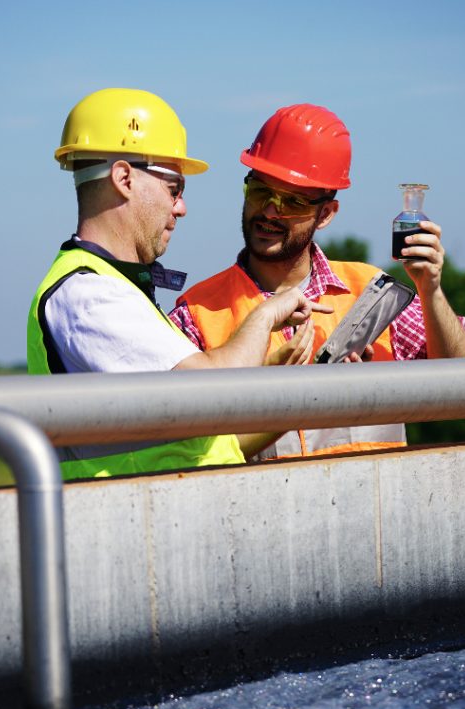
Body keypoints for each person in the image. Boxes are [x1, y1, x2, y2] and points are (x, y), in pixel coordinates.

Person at [27, 88, 322, 480]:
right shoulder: (89, 298)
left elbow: (210, 444)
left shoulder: (113, 288)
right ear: (124, 178)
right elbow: (213, 392)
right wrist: (264, 315)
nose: (180, 207)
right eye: (174, 189)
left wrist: (288, 387)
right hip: (132, 526)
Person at [170, 103, 465, 460]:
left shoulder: (372, 291)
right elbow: (181, 442)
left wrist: (430, 289)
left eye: (292, 202)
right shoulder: (196, 313)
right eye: (260, 192)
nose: (270, 211)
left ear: (325, 214)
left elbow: (462, 383)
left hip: (373, 508)